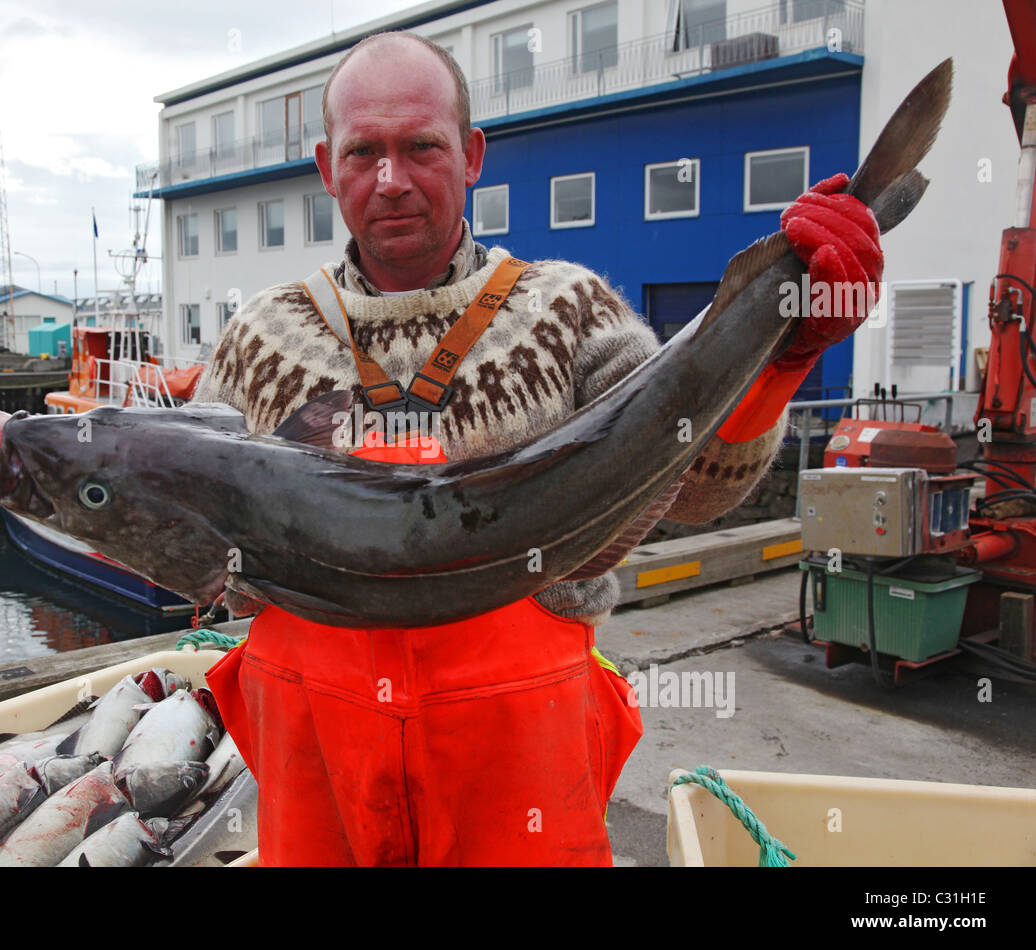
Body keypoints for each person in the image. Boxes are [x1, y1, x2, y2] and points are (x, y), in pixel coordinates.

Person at [194, 31, 882, 865]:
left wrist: (786, 357)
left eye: (422, 147)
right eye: (363, 151)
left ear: (474, 154)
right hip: (315, 770)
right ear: (323, 163)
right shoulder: (252, 340)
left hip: (521, 764)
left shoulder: (572, 312)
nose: (391, 180)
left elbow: (698, 487)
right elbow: (193, 538)